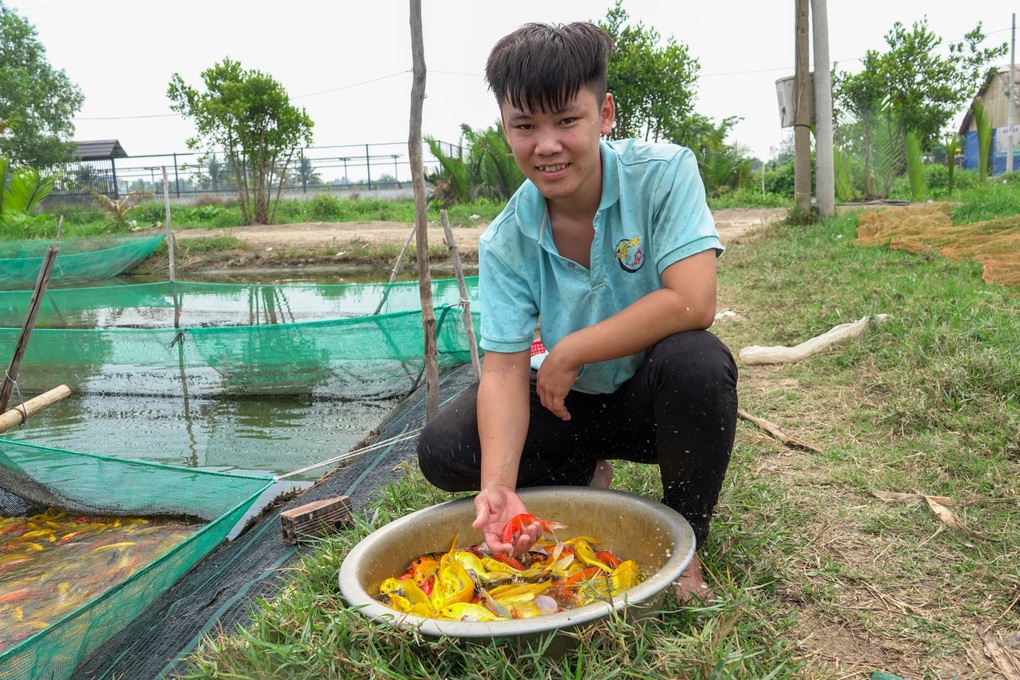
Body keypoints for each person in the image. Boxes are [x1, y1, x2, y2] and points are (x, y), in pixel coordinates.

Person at [416, 21, 738, 602]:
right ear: (507, 130)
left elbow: (694, 300)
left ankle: (688, 543)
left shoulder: (663, 173)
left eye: (567, 120)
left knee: (699, 361)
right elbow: (506, 370)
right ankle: (580, 478)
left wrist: (572, 349)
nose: (547, 145)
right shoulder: (505, 239)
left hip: (650, 401)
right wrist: (498, 487)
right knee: (444, 448)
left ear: (605, 114)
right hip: (565, 407)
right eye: (525, 126)